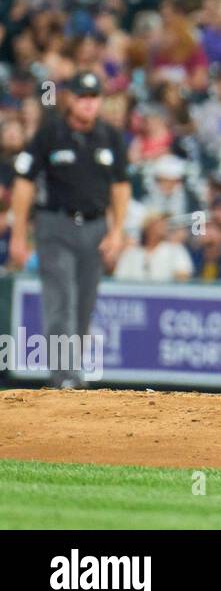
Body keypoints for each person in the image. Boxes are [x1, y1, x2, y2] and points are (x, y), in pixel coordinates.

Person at [8, 72, 130, 388]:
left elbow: (120, 186)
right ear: (70, 99)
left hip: (95, 227)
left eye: (94, 97)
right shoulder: (50, 135)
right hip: (54, 226)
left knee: (85, 304)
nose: (89, 104)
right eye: (82, 97)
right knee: (61, 299)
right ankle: (65, 376)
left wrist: (117, 231)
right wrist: (19, 234)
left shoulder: (111, 137)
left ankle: (72, 374)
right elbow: (23, 184)